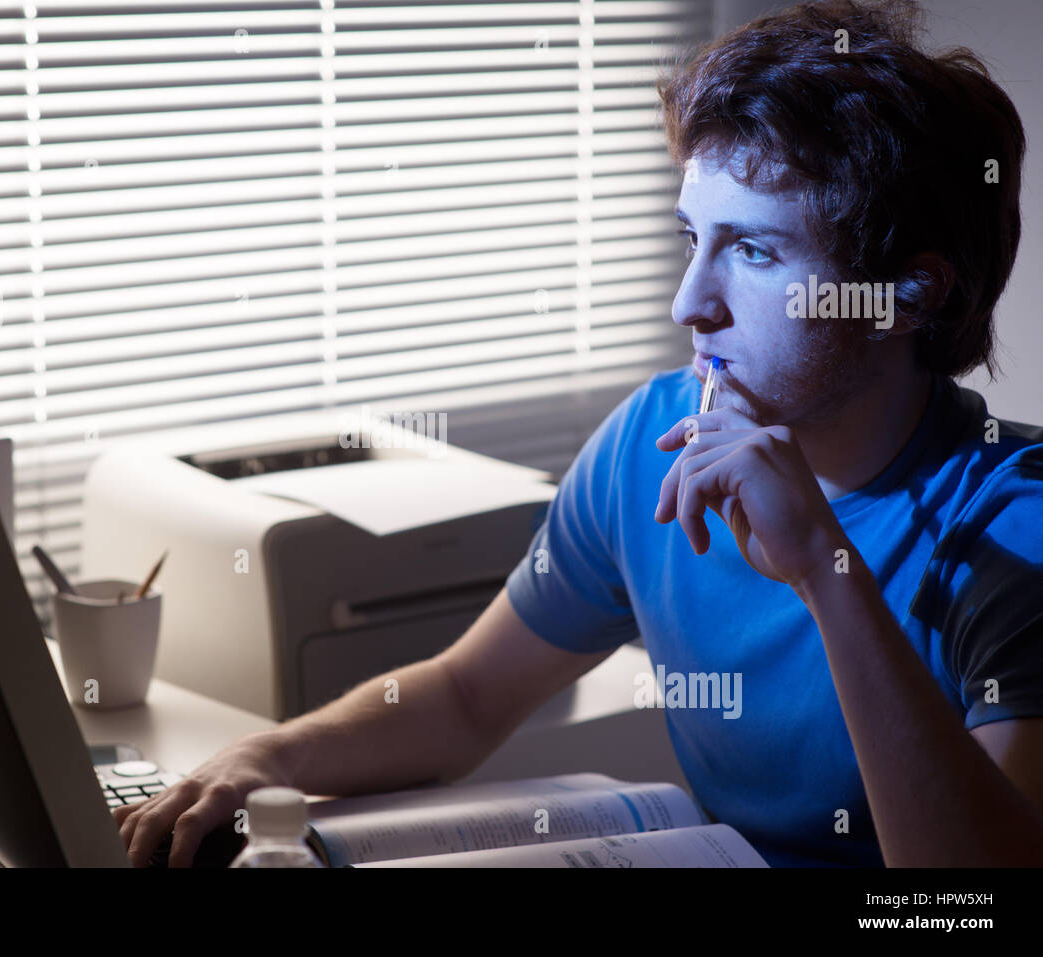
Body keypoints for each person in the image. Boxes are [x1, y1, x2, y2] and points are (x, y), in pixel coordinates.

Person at [115, 0, 1043, 867]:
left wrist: (822, 569)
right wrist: (265, 755)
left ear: (910, 295)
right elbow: (468, 696)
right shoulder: (654, 434)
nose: (691, 303)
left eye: (755, 251)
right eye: (694, 239)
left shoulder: (1017, 524)